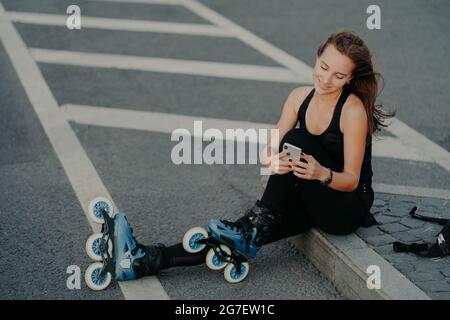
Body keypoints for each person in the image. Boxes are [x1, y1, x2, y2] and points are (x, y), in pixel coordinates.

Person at [111, 31, 396, 282]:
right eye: (323, 67)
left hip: (344, 207)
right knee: (238, 232)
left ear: (350, 79)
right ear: (317, 57)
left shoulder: (353, 111)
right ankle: (143, 260)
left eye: (339, 75)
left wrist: (321, 173)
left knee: (295, 140)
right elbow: (268, 154)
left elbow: (351, 181)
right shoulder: (299, 97)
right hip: (309, 190)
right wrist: (276, 162)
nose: (326, 79)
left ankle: (252, 227)